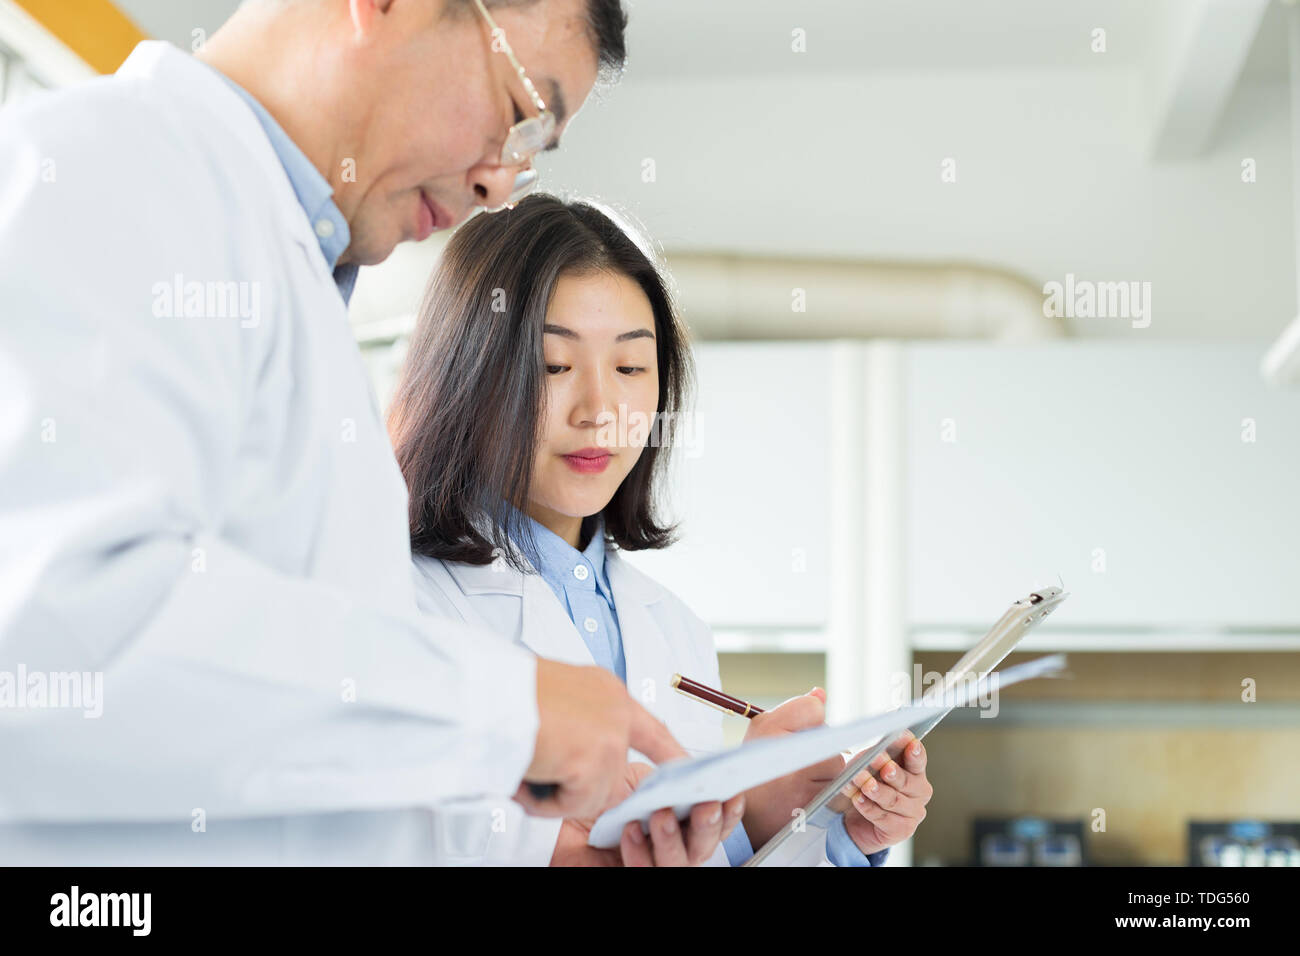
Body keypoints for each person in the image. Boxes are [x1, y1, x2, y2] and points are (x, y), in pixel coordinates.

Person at [0, 0, 727, 865]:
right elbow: (50, 645)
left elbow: (300, 772)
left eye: (533, 148)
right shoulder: (116, 171)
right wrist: (506, 712)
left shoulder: (290, 274)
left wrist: (560, 849)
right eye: (517, 112)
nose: (500, 182)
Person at [388, 195, 934, 865]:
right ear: (467, 372)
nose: (600, 410)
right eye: (554, 365)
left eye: (629, 368)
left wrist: (776, 820)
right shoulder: (401, 603)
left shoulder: (677, 631)